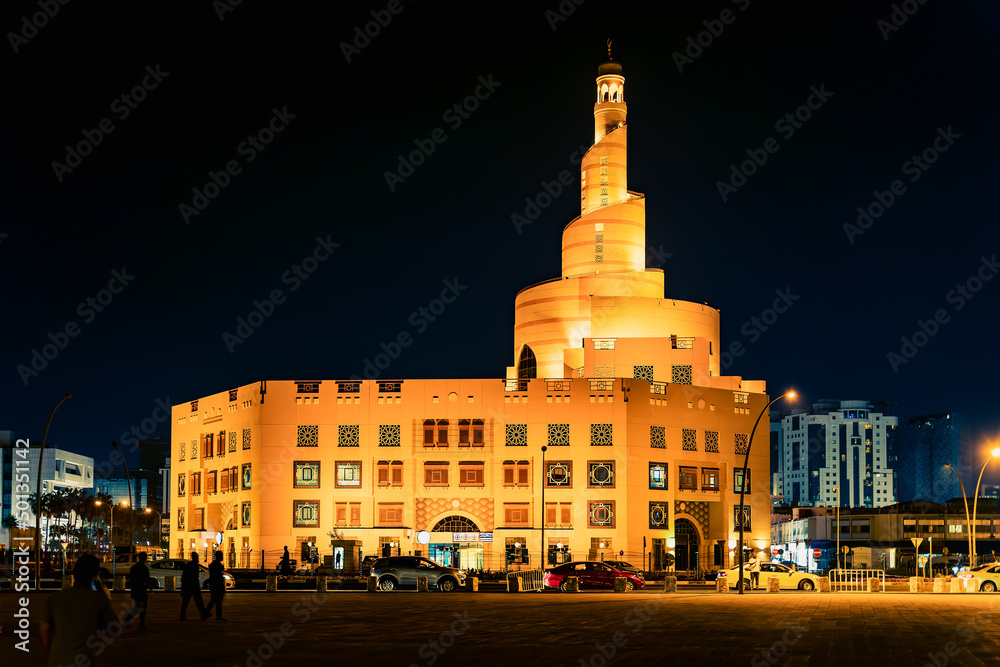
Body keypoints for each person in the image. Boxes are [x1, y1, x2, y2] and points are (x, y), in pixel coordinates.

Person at [40, 553, 116, 667]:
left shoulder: (55, 598)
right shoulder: (99, 600)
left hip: (58, 660)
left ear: (74, 572)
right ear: (95, 574)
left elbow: (44, 632)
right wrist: (101, 589)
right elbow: (114, 629)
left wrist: (52, 656)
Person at [179, 552, 210, 621]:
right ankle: (204, 614)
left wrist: (183, 586)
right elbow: (195, 577)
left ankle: (182, 616)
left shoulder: (189, 565)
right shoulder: (195, 566)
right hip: (193, 586)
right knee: (199, 601)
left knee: (186, 602)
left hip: (188, 586)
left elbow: (184, 577)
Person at [126, 553, 152, 630]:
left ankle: (129, 619)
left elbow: (131, 579)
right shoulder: (144, 568)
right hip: (142, 589)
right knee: (143, 607)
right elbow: (147, 579)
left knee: (137, 606)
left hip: (135, 589)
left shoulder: (134, 567)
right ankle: (141, 623)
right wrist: (150, 588)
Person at [204, 551, 227, 622]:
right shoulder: (218, 565)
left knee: (214, 601)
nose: (222, 557)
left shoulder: (212, 564)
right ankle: (217, 616)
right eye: (221, 555)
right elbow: (219, 576)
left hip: (213, 585)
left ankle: (207, 614)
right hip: (217, 585)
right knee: (218, 601)